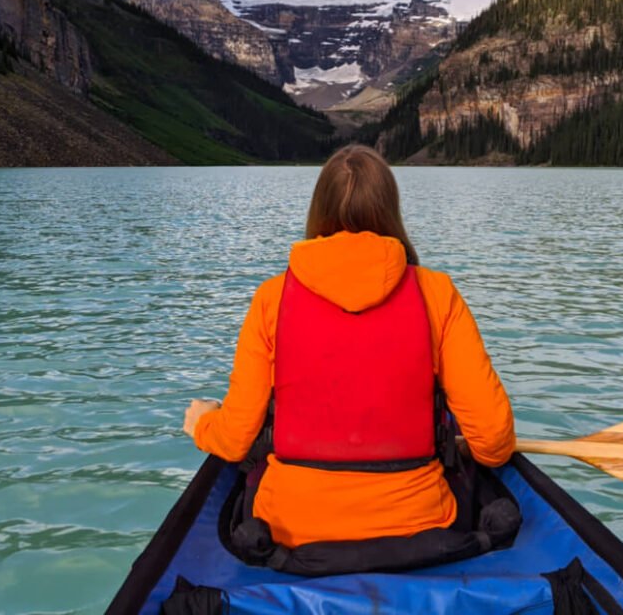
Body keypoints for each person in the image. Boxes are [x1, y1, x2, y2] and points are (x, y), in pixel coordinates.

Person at [182, 144, 515, 549]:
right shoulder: (437, 294)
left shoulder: (271, 299)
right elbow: (495, 444)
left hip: (290, 530)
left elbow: (234, 440)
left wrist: (203, 423)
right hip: (419, 526)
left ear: (317, 213)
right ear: (391, 213)